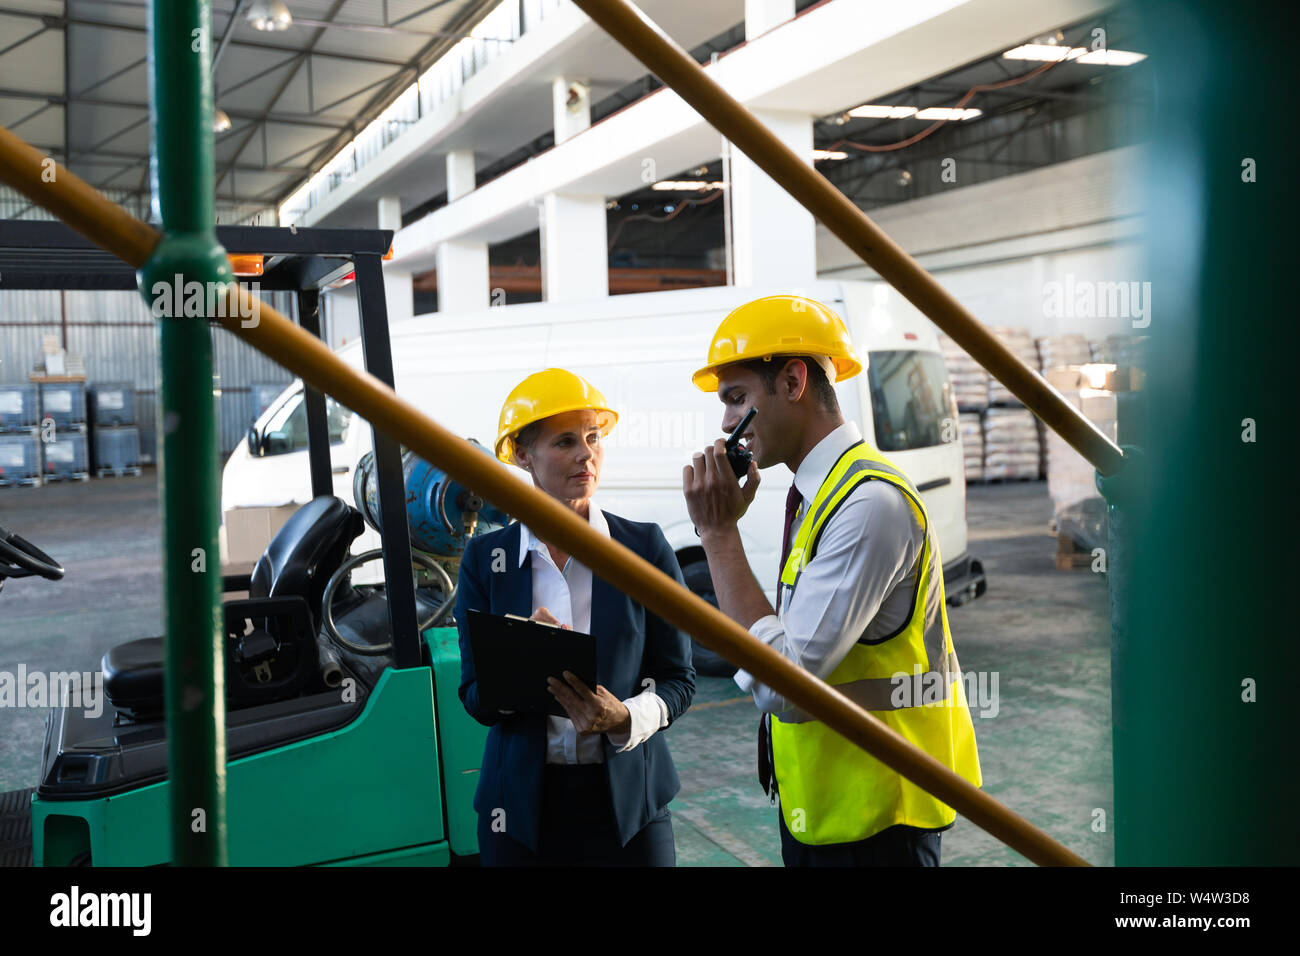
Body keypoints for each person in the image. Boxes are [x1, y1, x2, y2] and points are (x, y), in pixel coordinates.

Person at [681, 294, 981, 867]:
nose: (726, 423)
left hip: (880, 820)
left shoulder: (869, 506)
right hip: (831, 807)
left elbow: (785, 686)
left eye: (736, 399)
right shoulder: (824, 494)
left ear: (793, 382)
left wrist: (718, 536)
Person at [454, 367, 696, 866]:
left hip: (630, 807)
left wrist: (626, 716)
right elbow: (475, 699)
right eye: (565, 441)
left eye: (593, 437)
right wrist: (521, 660)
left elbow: (679, 680)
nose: (587, 453)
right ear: (523, 455)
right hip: (521, 813)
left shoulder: (643, 549)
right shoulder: (486, 561)